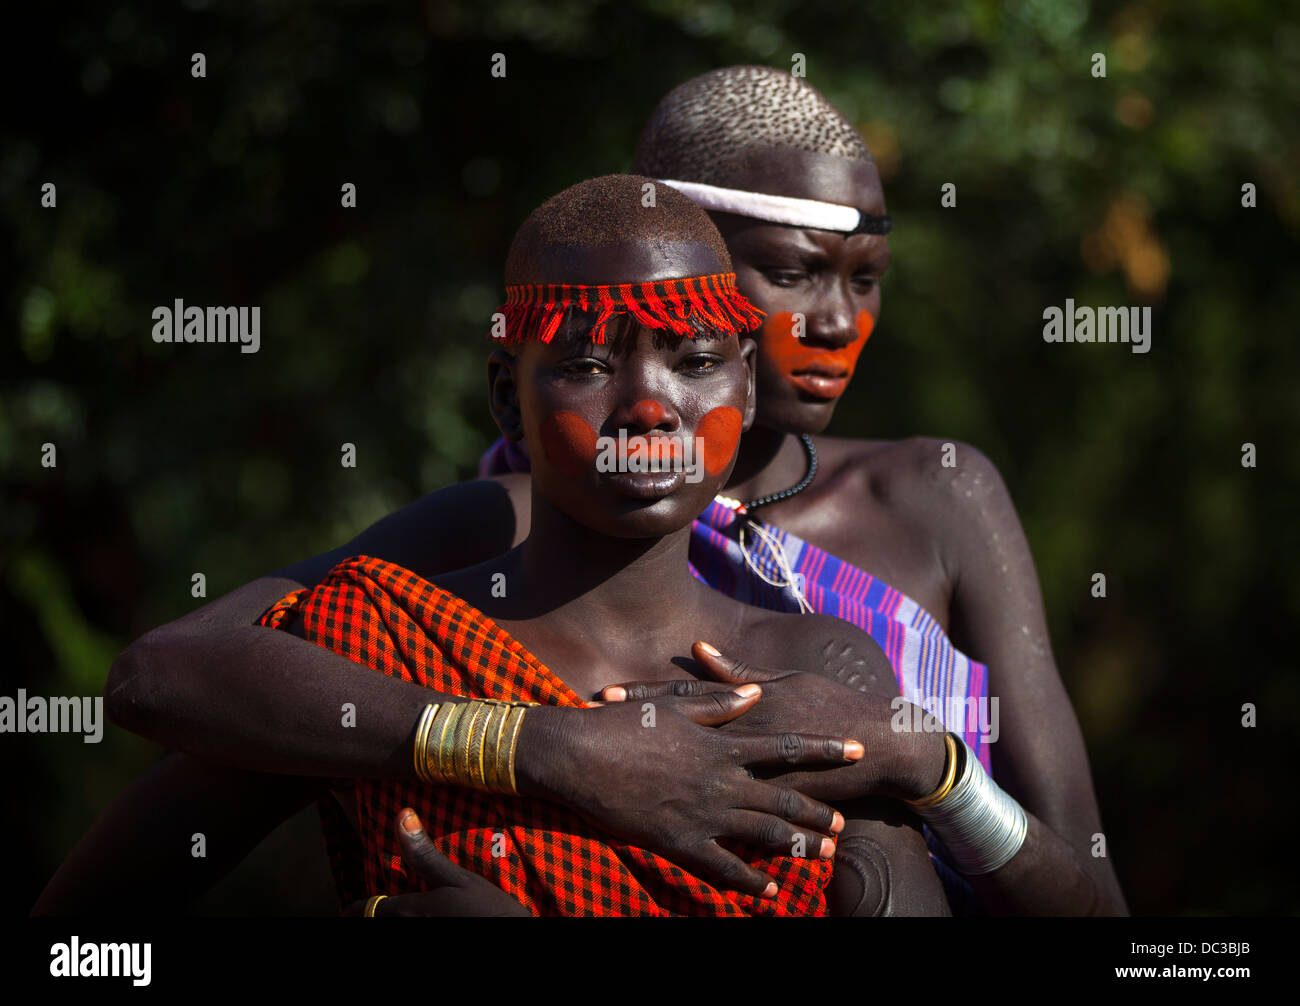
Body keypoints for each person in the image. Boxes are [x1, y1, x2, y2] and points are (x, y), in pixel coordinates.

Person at [89, 68, 1124, 916]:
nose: (835, 324)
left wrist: (920, 761)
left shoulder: (892, 559)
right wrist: (531, 745)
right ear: (511, 392)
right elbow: (171, 677)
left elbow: (1088, 896)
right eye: (790, 271)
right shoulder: (426, 604)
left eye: (862, 277)